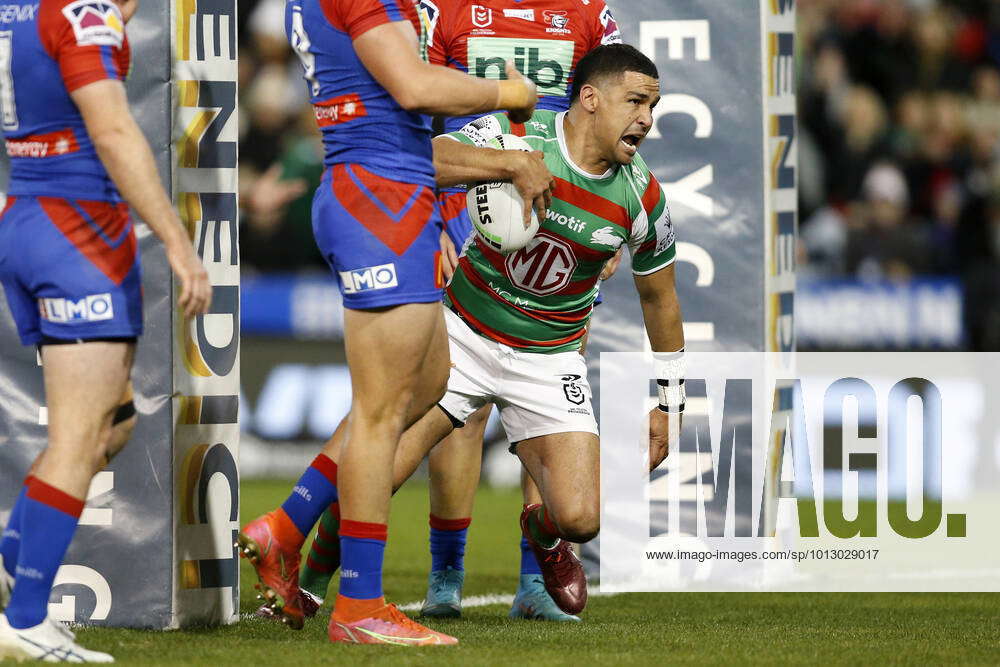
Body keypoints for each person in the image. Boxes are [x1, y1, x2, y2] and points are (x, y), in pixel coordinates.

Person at [319, 42, 681, 620]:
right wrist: (503, 165)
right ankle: (309, 580)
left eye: (653, 107)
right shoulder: (517, 136)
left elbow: (660, 301)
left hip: (550, 357)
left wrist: (670, 404)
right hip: (463, 333)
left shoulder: (644, 196)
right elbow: (426, 155)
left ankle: (541, 529)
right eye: (636, 101)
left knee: (581, 520)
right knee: (379, 469)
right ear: (588, 98)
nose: (647, 119)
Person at [236, 0, 539, 647]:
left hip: (394, 194)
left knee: (431, 379)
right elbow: (412, 86)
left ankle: (287, 528)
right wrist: (507, 92)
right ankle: (360, 605)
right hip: (380, 200)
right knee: (382, 410)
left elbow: (402, 102)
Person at [0, 0, 211, 661]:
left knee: (113, 426)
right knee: (80, 434)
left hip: (34, 214)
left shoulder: (20, 11)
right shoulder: (85, 14)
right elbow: (116, 132)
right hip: (76, 230)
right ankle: (26, 616)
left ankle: (12, 558)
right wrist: (178, 242)